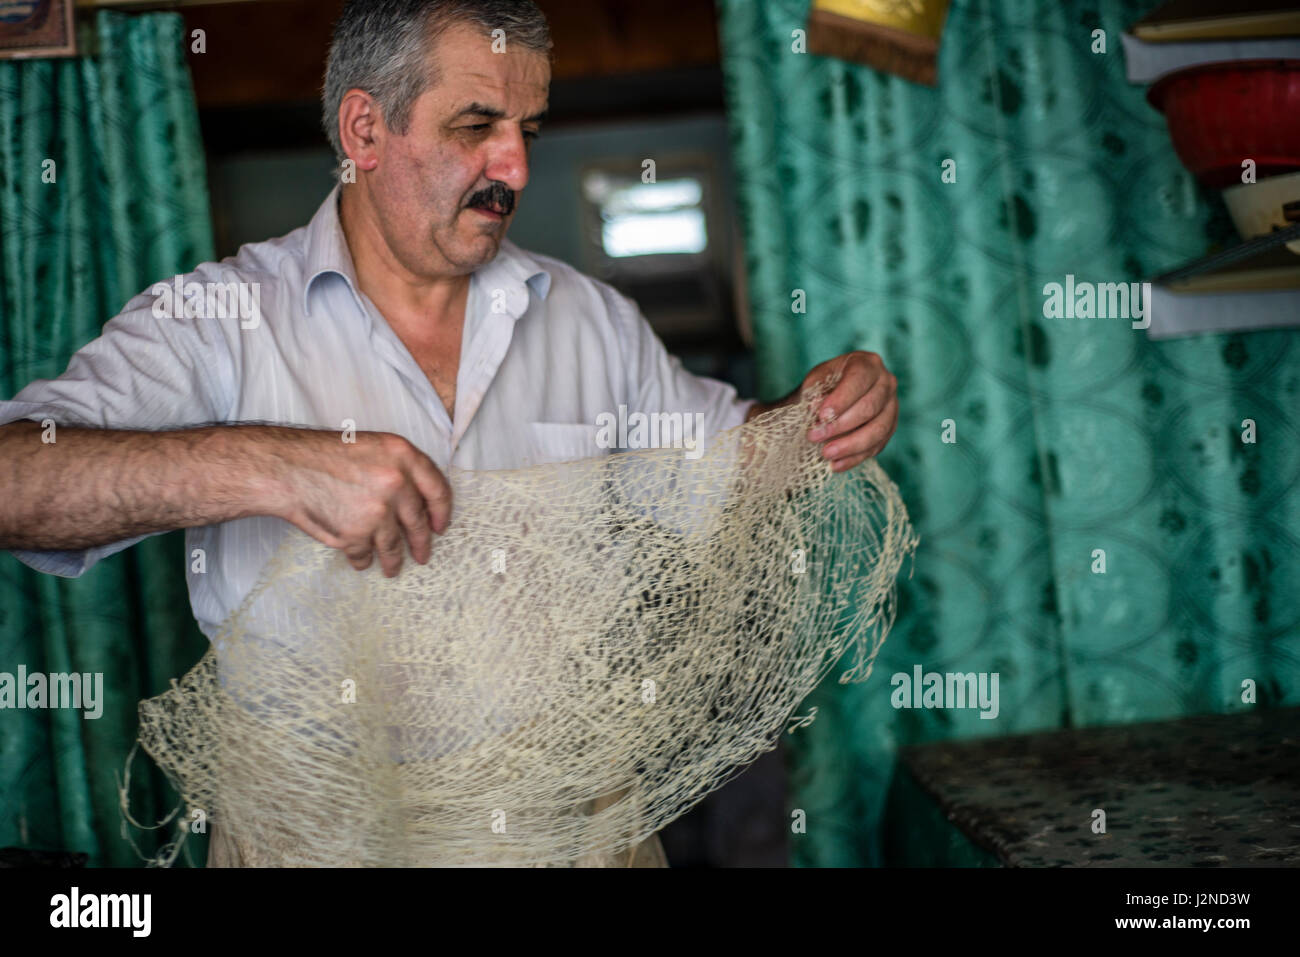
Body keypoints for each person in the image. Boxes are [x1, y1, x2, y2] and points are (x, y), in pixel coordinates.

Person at [0, 0, 898, 866]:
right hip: (322, 844)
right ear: (363, 132)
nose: (514, 165)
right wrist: (273, 466)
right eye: (477, 126)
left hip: (575, 836)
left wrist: (819, 414)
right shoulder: (220, 317)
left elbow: (728, 464)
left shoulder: (590, 318)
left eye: (529, 130)